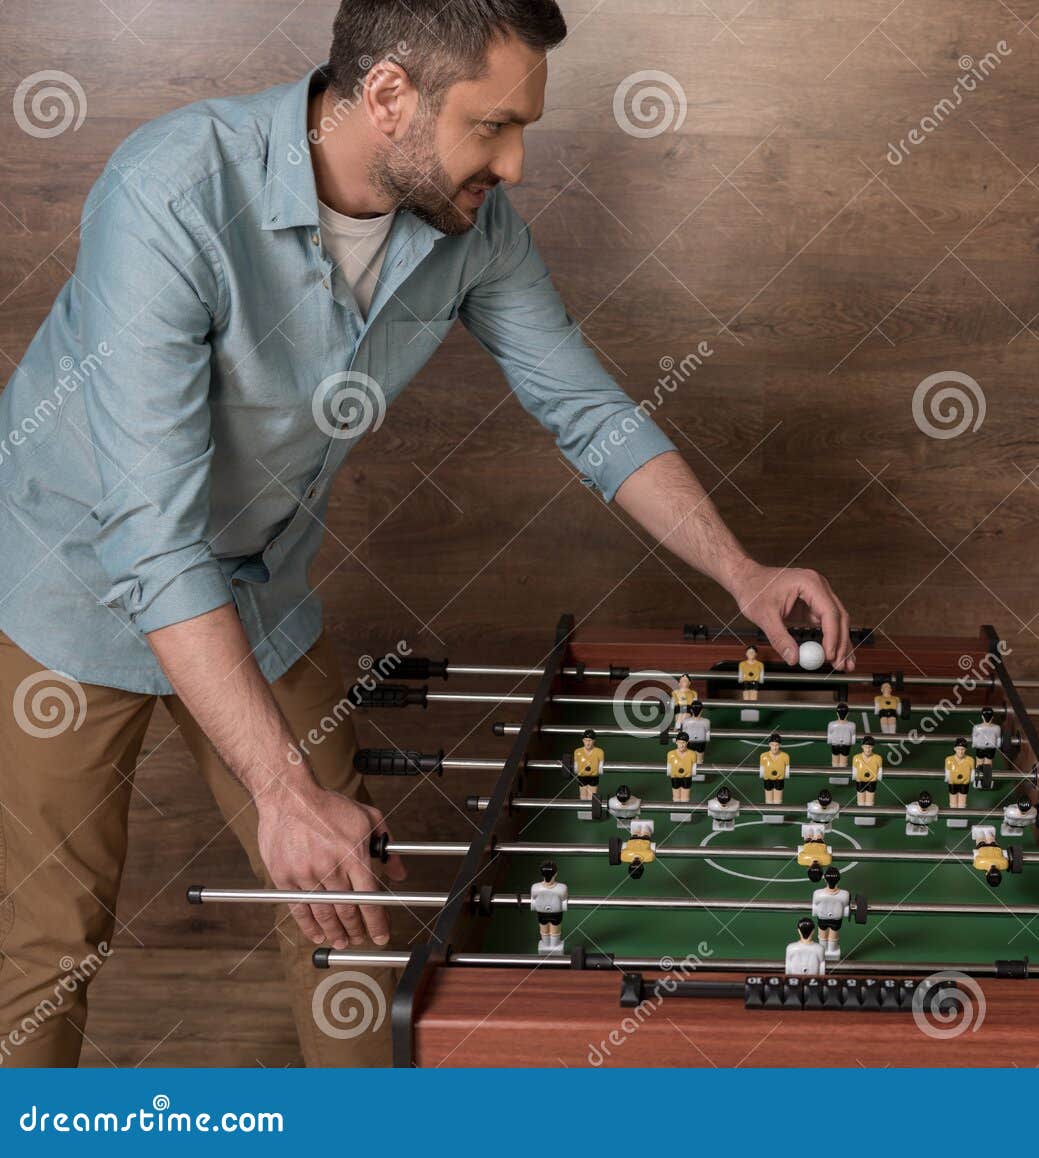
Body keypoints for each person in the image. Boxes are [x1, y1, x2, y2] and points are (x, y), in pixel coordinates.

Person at [0, 0, 855, 1067]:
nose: (517, 164)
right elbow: (152, 537)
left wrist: (742, 569)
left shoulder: (471, 224)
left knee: (345, 917)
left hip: (254, 588)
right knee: (45, 946)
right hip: (71, 585)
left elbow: (587, 412)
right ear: (391, 96)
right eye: (494, 126)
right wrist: (280, 791)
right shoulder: (169, 190)